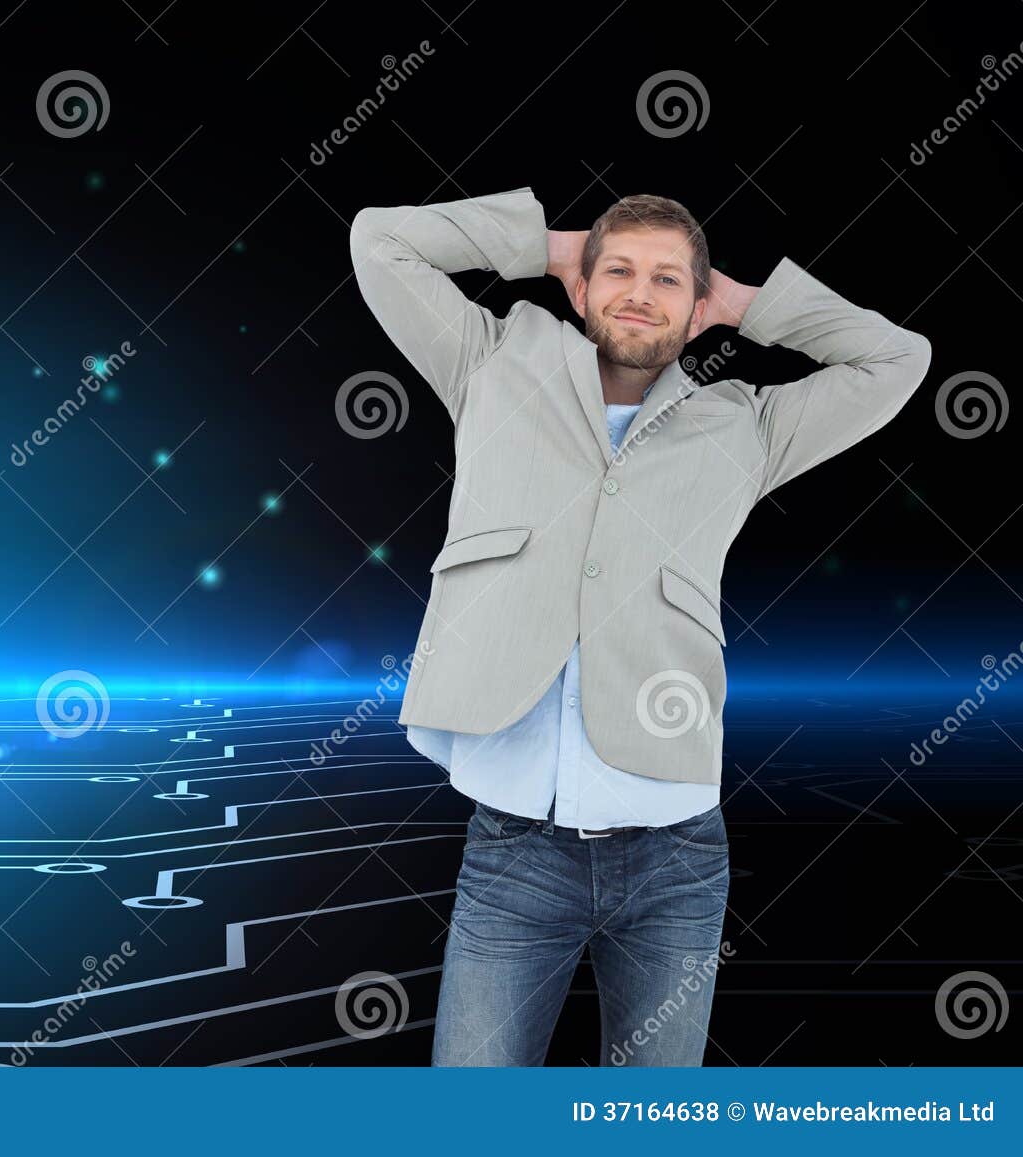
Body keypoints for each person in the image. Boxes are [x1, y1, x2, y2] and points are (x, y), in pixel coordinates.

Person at [349, 186, 933, 1065]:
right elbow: (380, 239)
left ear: (698, 308)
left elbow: (897, 360)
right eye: (617, 270)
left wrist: (742, 302)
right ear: (579, 290)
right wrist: (550, 248)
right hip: (514, 850)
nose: (639, 291)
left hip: (677, 857)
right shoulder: (493, 361)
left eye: (668, 279)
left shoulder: (748, 423)